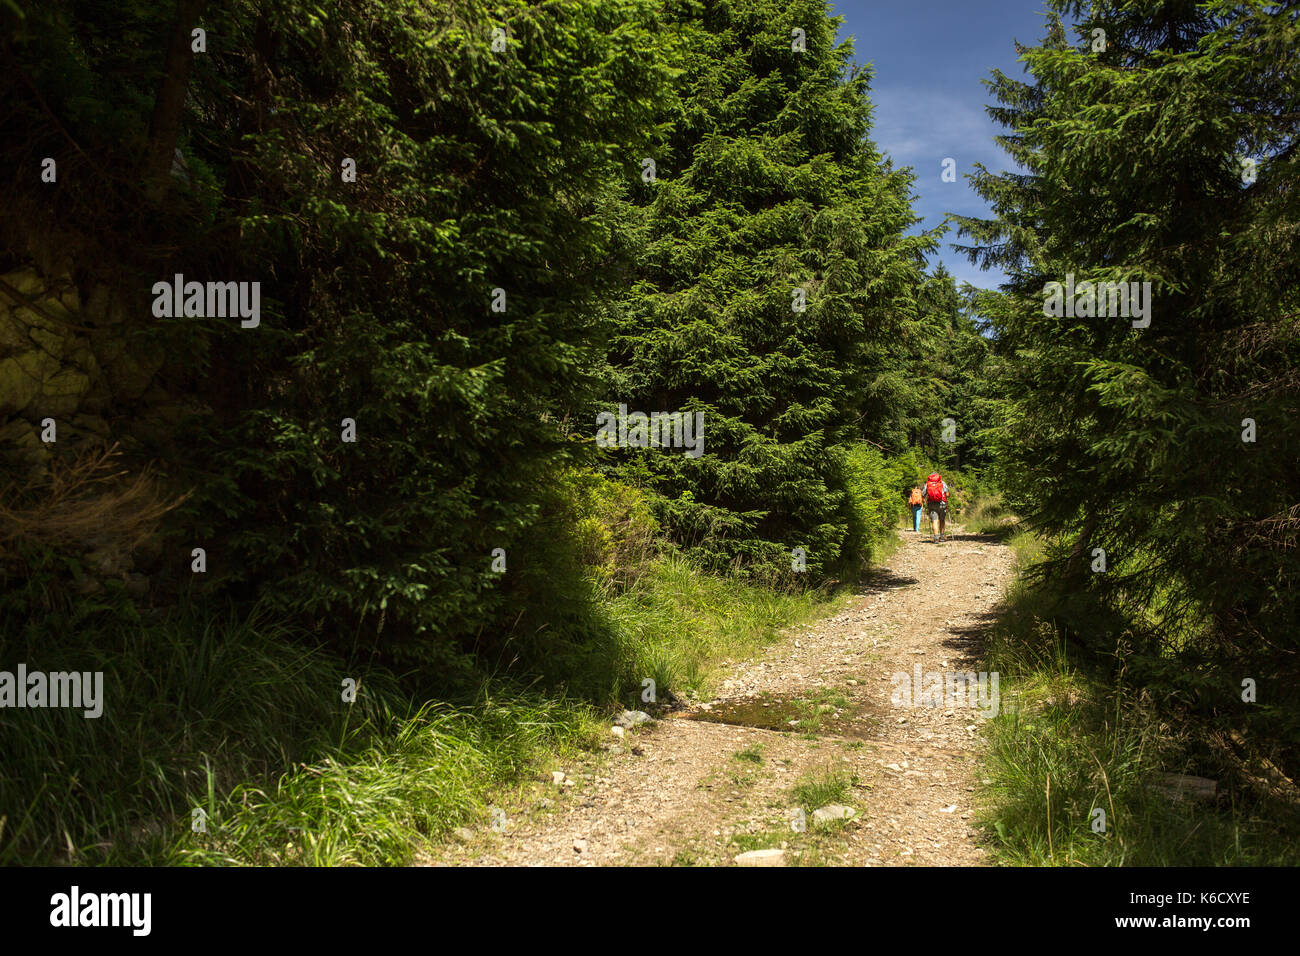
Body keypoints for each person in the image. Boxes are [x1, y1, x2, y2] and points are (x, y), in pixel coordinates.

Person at [923, 472, 949, 542]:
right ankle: (942, 536)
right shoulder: (942, 483)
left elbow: (923, 494)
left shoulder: (928, 483)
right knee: (942, 520)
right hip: (942, 504)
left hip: (932, 504)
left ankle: (936, 537)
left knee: (934, 521)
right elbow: (947, 494)